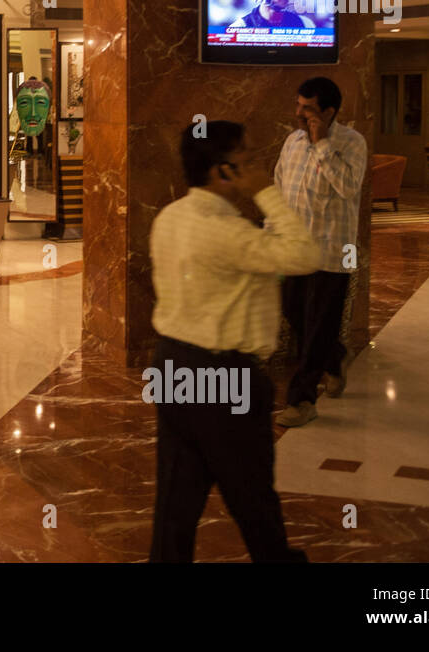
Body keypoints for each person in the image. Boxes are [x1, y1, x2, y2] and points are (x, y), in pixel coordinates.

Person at [149, 120, 322, 562]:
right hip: (224, 377)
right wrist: (267, 192)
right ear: (222, 170)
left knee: (177, 497)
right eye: (247, 160)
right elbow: (305, 255)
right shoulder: (226, 232)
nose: (256, 167)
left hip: (172, 364)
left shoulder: (169, 218)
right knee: (251, 494)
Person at [273, 77, 367, 427]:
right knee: (295, 313)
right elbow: (280, 189)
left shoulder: (352, 143)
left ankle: (302, 400)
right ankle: (336, 357)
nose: (299, 114)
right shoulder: (292, 142)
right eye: (298, 106)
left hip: (333, 252)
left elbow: (347, 188)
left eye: (308, 109)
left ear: (328, 112)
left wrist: (323, 144)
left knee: (317, 325)